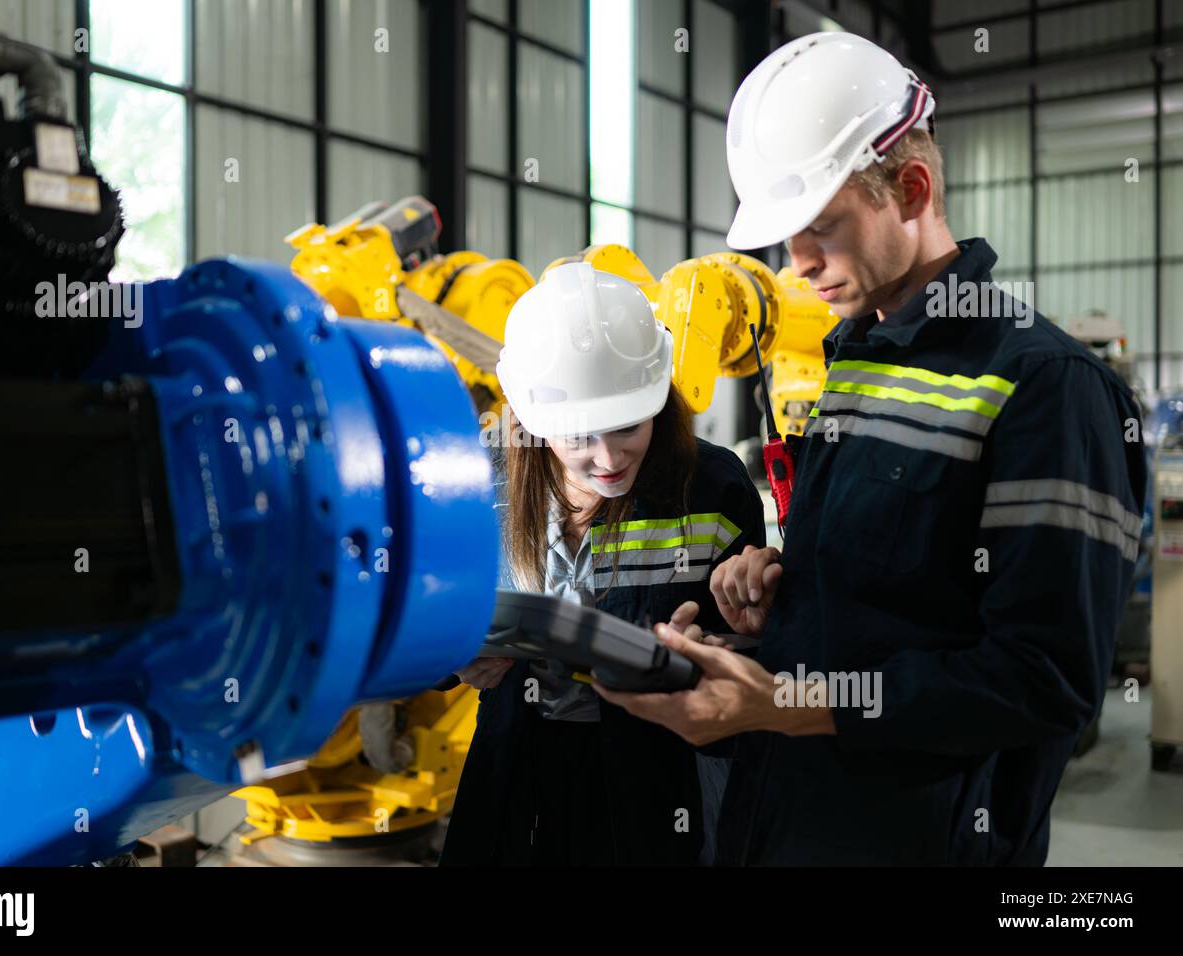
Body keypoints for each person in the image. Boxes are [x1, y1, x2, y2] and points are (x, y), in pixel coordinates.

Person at [596, 32, 1148, 865]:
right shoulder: (851, 364)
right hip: (781, 822)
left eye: (822, 228)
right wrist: (758, 613)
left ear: (912, 187)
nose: (799, 264)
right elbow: (882, 605)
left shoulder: (1044, 385)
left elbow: (1045, 679)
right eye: (787, 237)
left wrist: (784, 702)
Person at [440, 261, 764, 865]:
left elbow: (752, 646)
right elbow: (436, 611)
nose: (608, 458)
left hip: (659, 774)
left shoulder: (712, 487)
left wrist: (717, 646)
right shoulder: (487, 485)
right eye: (577, 438)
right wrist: (455, 659)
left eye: (627, 427)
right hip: (519, 761)